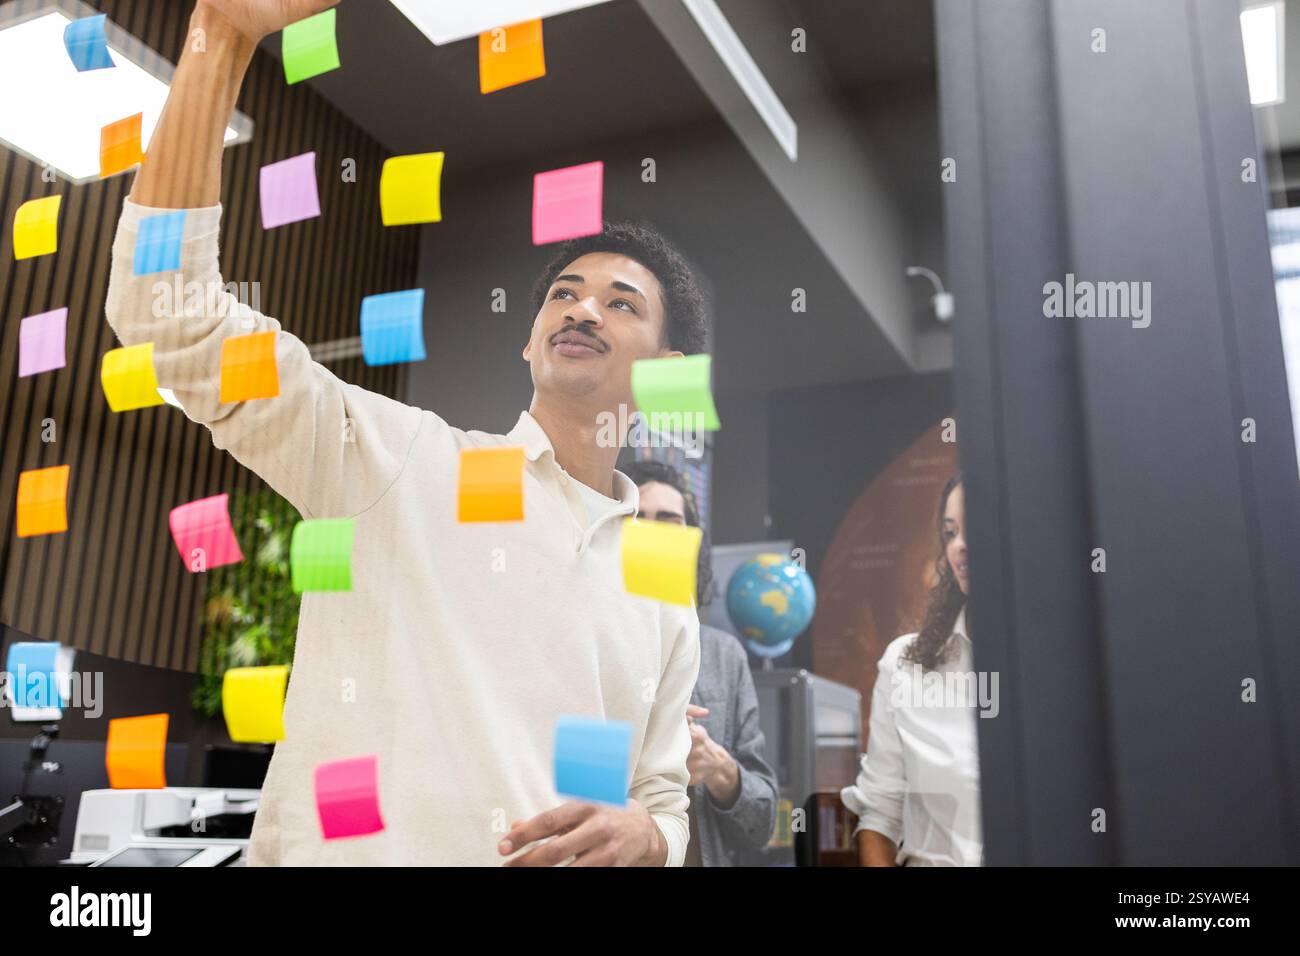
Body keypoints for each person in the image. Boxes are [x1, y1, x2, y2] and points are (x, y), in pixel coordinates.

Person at [104, 0, 706, 866]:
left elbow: (663, 799)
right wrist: (221, 37)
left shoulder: (661, 592)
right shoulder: (404, 462)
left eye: (621, 303)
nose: (580, 308)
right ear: (529, 338)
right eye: (563, 294)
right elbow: (168, 317)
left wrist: (651, 834)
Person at [623, 460, 777, 866]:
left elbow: (763, 827)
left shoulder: (725, 657)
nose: (652, 534)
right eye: (636, 518)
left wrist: (720, 769)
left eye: (668, 521)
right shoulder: (585, 640)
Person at [840, 474, 983, 866]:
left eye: (975, 528)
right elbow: (879, 818)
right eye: (951, 533)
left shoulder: (1073, 665)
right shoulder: (906, 665)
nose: (960, 547)